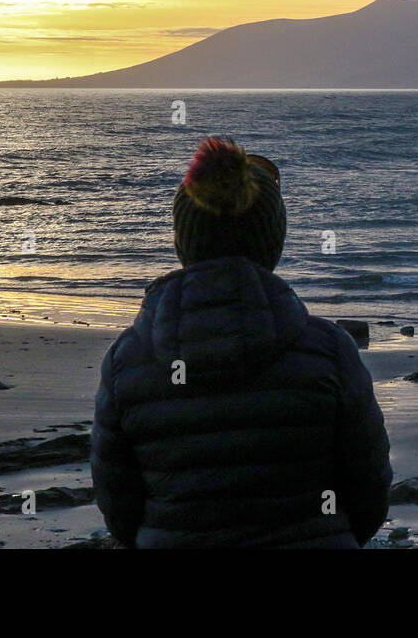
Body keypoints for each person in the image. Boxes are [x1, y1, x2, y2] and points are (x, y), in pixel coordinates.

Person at [91, 136, 392, 547]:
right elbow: (368, 492)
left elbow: (118, 503)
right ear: (274, 244)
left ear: (183, 243)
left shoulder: (128, 361)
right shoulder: (331, 352)